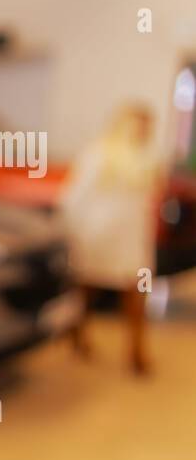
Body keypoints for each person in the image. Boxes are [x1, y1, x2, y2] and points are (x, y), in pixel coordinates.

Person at [61, 102, 166, 375]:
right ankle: (77, 332)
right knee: (87, 290)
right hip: (98, 237)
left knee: (138, 290)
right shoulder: (98, 154)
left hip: (132, 240)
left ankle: (137, 352)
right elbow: (74, 196)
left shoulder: (147, 158)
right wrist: (71, 232)